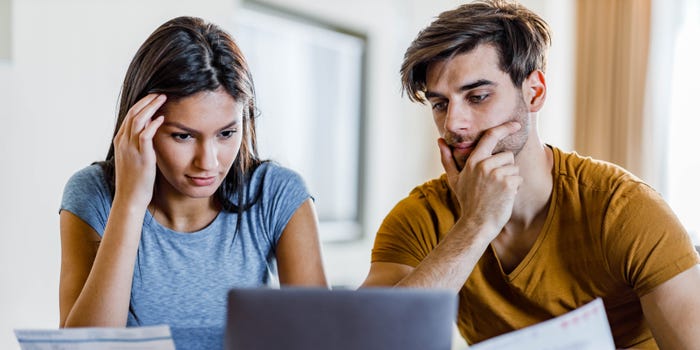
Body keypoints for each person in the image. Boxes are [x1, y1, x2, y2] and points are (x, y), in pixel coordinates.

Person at [361, 1, 700, 348]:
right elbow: (367, 341)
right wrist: (476, 224)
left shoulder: (626, 210)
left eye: (477, 96)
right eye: (440, 104)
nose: (453, 124)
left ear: (534, 91)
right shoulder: (420, 217)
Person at [58, 16, 328, 349]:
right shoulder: (93, 194)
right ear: (141, 125)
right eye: (184, 136)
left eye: (226, 134)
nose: (209, 162)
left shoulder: (278, 194)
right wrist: (129, 200)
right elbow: (82, 347)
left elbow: (319, 338)